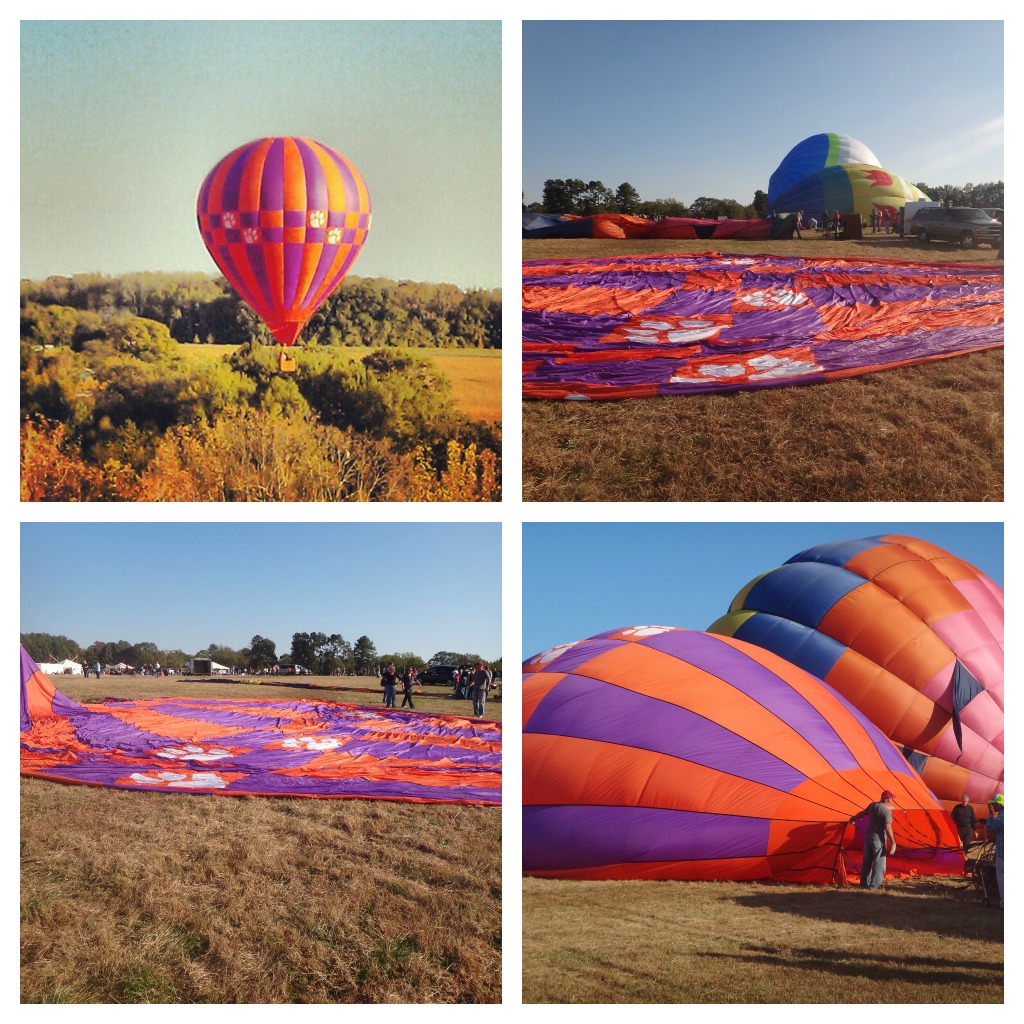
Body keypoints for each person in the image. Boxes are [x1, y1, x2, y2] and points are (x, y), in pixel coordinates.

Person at [849, 790, 896, 889]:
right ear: (888, 799)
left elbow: (862, 813)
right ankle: (873, 887)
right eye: (891, 798)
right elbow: (888, 827)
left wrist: (853, 818)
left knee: (866, 862)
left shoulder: (872, 805)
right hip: (879, 840)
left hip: (868, 838)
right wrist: (893, 842)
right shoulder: (886, 811)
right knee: (879, 864)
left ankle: (863, 884)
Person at [985, 794, 1004, 909]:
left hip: (1003, 852)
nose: (992, 806)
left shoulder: (1001, 818)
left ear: (998, 805)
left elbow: (990, 828)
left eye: (993, 804)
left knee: (1002, 876)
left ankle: (1004, 903)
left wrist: (990, 814)